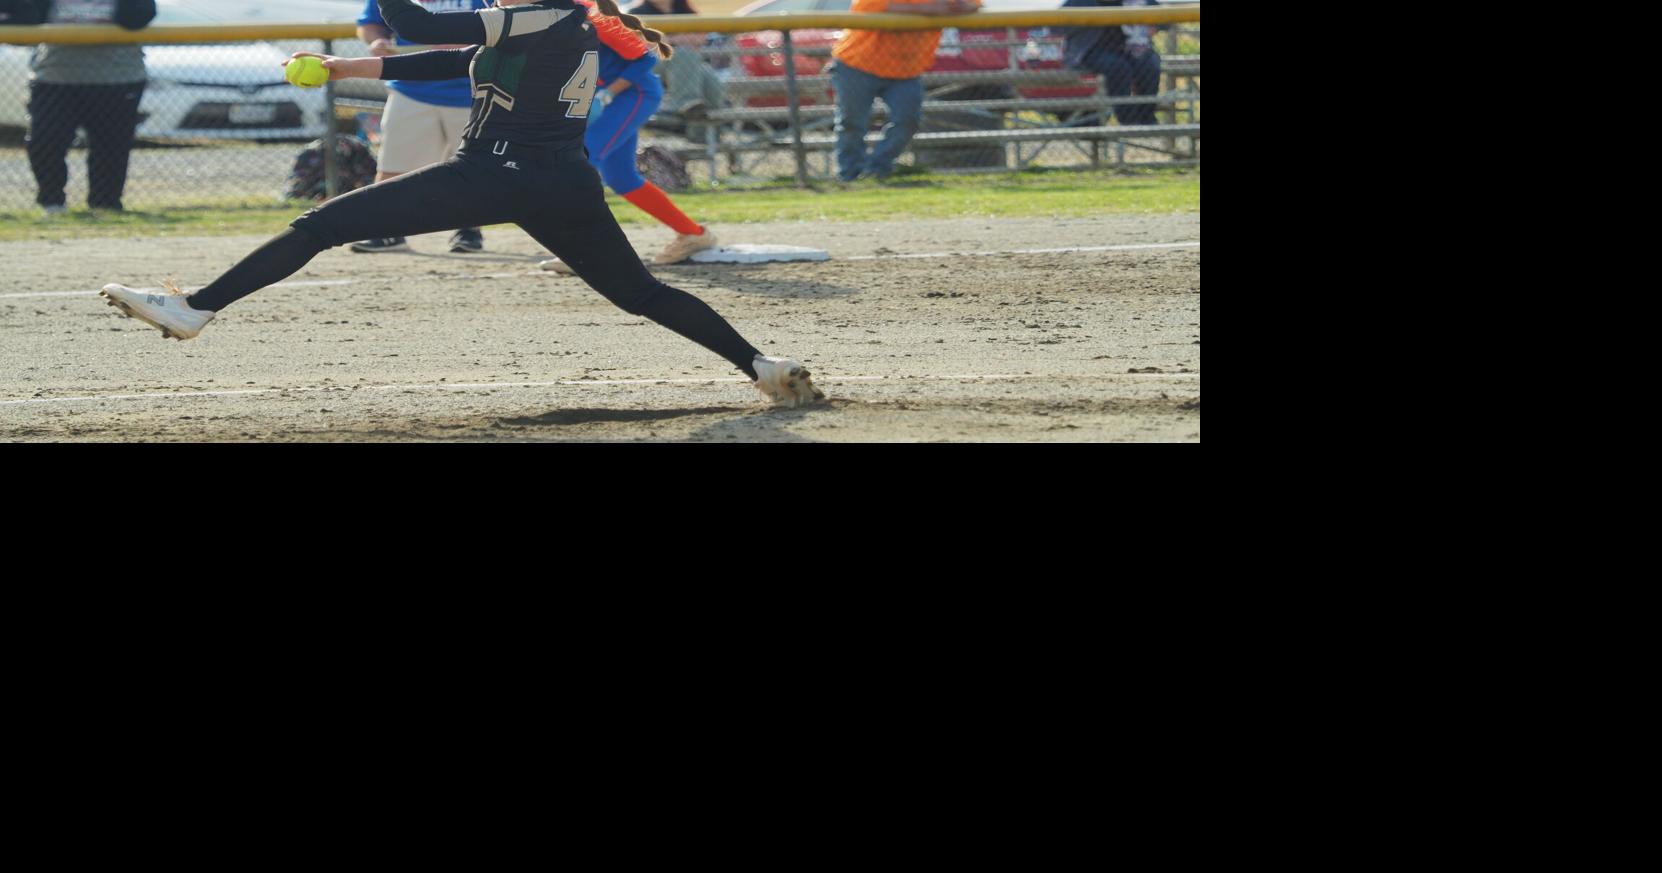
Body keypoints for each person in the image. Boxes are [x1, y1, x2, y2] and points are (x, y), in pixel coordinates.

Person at [99, 0, 824, 408]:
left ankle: (194, 308)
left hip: (498, 174)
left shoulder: (540, 13)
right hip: (560, 180)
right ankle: (761, 365)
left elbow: (417, 22)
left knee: (322, 224)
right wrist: (356, 65)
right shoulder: (553, 22)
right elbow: (451, 58)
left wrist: (382, 26)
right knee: (640, 292)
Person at [537, 0, 714, 274]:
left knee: (581, 162)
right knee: (622, 178)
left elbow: (645, 59)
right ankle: (694, 234)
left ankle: (582, 249)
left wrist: (609, 93)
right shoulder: (546, 20)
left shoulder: (591, 17)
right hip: (606, 99)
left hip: (633, 94)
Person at [352, 0, 492, 254]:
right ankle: (386, 229)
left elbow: (505, 21)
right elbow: (370, 23)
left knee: (472, 168)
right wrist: (377, 41)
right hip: (411, 87)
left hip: (471, 90)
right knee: (394, 166)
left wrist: (475, 41)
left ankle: (469, 229)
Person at [23, 0, 157, 214]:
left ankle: (105, 206)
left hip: (117, 76)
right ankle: (52, 203)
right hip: (55, 76)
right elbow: (25, 17)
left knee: (111, 146)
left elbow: (139, 17)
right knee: (44, 141)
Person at [829, 0, 978, 183]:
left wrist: (960, 7)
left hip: (907, 70)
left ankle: (876, 170)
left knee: (908, 120)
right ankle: (850, 175)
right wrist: (928, 9)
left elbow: (973, 4)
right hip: (858, 63)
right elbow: (867, 7)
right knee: (852, 122)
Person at [1061, 0, 1161, 126]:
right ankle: (1128, 120)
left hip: (1127, 49)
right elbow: (1058, 26)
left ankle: (1146, 117)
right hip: (1091, 50)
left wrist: (1154, 24)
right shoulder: (1082, 2)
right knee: (1118, 67)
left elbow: (1165, 19)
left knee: (1148, 64)